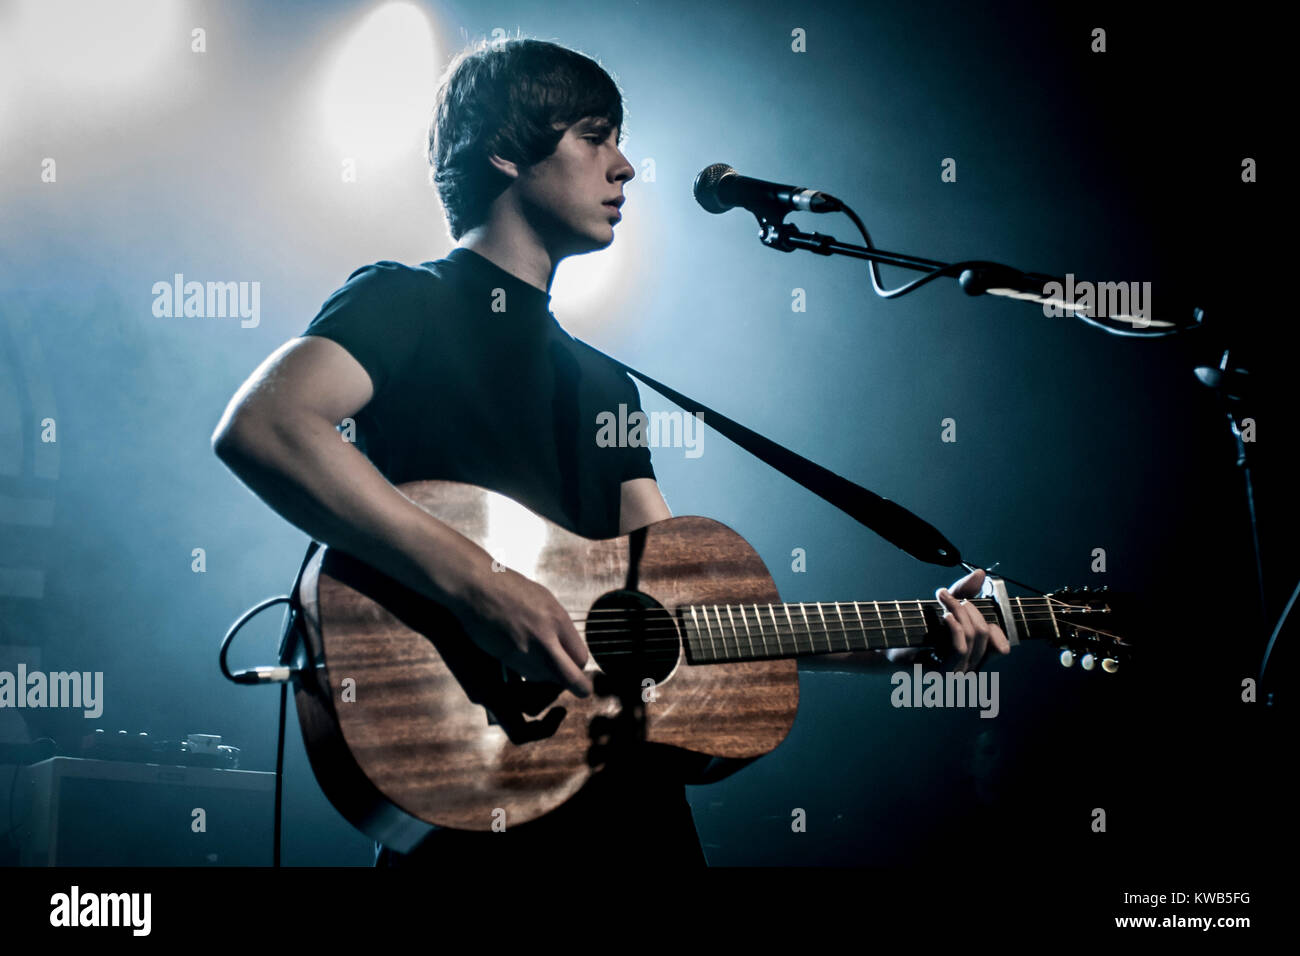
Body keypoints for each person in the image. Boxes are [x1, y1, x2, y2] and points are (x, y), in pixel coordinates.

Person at [211, 36, 1009, 869]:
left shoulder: (603, 381)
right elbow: (267, 426)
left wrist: (893, 645)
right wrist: (485, 587)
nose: (625, 167)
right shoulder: (404, 300)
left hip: (629, 807)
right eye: (595, 137)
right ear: (505, 150)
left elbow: (677, 608)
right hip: (472, 784)